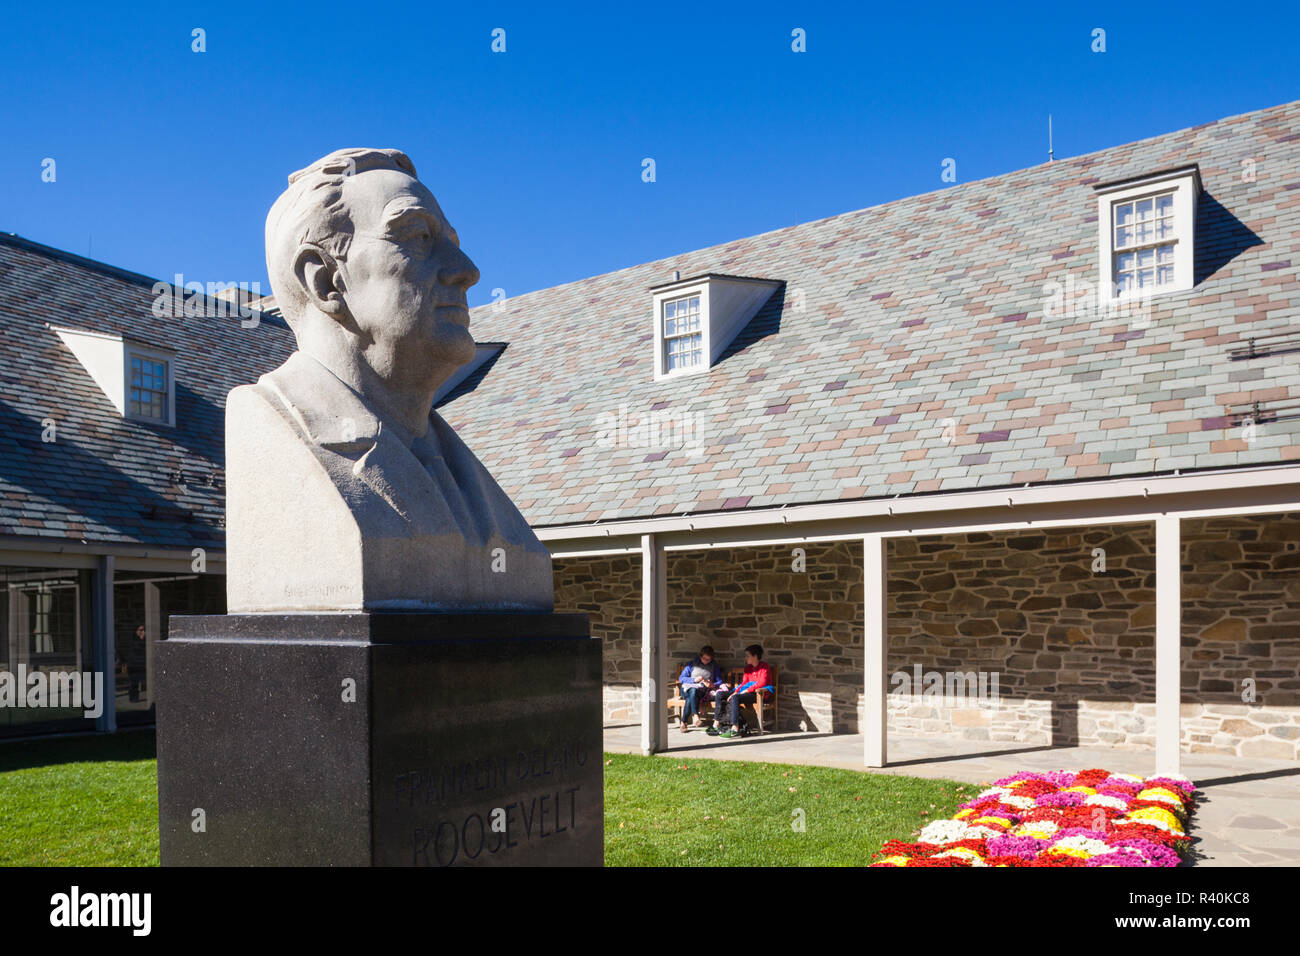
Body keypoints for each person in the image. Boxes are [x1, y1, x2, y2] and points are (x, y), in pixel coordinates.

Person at [707, 644, 772, 739]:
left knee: (735, 697)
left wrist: (745, 691)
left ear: (755, 656)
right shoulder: (748, 668)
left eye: (748, 656)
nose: (746, 658)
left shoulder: (764, 667)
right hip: (746, 692)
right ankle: (716, 724)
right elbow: (743, 683)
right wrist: (735, 692)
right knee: (720, 694)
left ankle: (735, 729)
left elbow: (762, 683)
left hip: (759, 694)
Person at [676, 645, 725, 732]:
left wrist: (712, 684)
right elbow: (681, 678)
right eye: (705, 659)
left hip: (701, 691)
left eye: (709, 659)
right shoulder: (692, 664)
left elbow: (719, 681)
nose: (707, 661)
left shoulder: (714, 665)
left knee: (691, 697)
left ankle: (684, 722)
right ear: (700, 656)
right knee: (692, 691)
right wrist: (693, 680)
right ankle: (695, 715)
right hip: (686, 690)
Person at [117, 624, 148, 703]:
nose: (142, 632)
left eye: (143, 630)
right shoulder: (132, 641)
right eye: (140, 630)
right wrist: (124, 662)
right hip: (133, 665)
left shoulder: (146, 640)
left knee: (143, 681)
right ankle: (133, 698)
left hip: (142, 665)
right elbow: (123, 650)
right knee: (134, 683)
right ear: (136, 631)